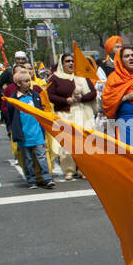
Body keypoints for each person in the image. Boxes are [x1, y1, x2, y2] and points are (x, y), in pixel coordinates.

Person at [46, 52, 97, 180]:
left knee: (83, 142)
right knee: (67, 143)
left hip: (82, 113)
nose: (71, 63)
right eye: (67, 61)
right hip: (65, 114)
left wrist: (82, 98)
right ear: (62, 64)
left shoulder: (82, 77)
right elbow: (49, 95)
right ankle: (69, 169)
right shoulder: (55, 78)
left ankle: (83, 169)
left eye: (72, 61)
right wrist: (65, 101)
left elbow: (93, 93)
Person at [4, 65, 54, 189]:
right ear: (18, 83)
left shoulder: (35, 95)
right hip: (24, 134)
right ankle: (31, 179)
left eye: (29, 80)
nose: (29, 83)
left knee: (41, 156)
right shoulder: (14, 99)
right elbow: (9, 113)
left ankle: (47, 178)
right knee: (28, 159)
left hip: (37, 132)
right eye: (26, 81)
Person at [103, 44, 133, 151]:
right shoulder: (113, 79)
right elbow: (107, 103)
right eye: (126, 56)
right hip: (125, 122)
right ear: (120, 60)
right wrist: (125, 97)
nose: (131, 58)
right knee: (129, 155)